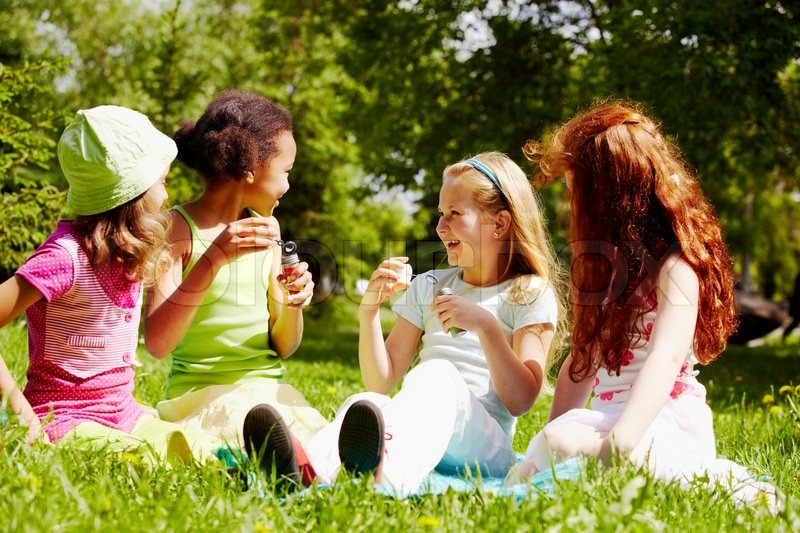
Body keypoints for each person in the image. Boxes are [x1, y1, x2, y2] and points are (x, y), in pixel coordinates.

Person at [507, 101, 776, 506]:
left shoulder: (675, 270)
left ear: (611, 196)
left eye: (577, 191)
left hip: (662, 420)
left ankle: (728, 486)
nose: (571, 205)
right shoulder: (605, 271)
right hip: (608, 421)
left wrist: (620, 443)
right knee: (543, 456)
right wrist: (548, 446)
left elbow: (664, 360)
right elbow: (581, 362)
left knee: (564, 446)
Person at [281, 151, 561, 494]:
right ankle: (304, 471)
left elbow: (521, 401)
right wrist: (368, 310)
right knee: (364, 403)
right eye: (441, 214)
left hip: (486, 450)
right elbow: (380, 382)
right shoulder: (430, 285)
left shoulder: (527, 292)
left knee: (437, 374)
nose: (441, 227)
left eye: (455, 214)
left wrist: (486, 326)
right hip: (425, 437)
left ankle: (386, 481)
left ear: (500, 224)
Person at [0, 105, 220, 463]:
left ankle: (299, 470)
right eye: (161, 183)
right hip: (65, 420)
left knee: (200, 444)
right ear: (133, 192)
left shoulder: (126, 254)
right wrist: (20, 414)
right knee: (143, 459)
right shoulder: (64, 258)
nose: (166, 195)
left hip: (125, 417)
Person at [143, 89, 323, 484]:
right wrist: (213, 260)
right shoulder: (177, 228)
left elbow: (284, 346)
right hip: (201, 398)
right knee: (244, 426)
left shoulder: (268, 231)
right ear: (251, 168)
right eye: (287, 171)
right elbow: (158, 343)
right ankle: (285, 466)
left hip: (268, 396)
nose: (288, 185)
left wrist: (292, 304)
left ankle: (294, 462)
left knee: (306, 431)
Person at [782, 271, 800, 342]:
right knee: (795, 322)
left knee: (795, 322)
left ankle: (784, 335)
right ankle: (784, 335)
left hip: (796, 302)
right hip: (797, 302)